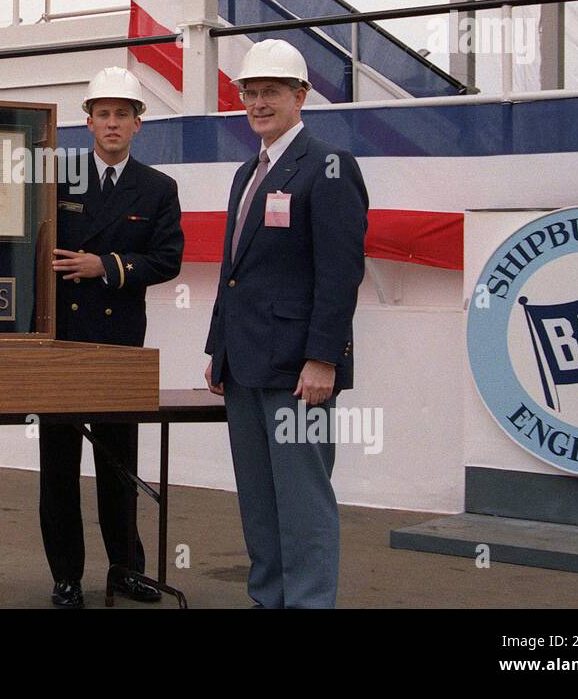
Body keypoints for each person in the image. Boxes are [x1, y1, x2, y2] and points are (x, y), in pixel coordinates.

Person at [203, 38, 368, 609]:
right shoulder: (248, 171)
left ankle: (308, 602)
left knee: (302, 500)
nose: (258, 103)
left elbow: (340, 273)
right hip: (245, 367)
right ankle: (268, 599)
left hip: (300, 371)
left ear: (301, 95)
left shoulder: (328, 166)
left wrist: (324, 358)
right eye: (250, 93)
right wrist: (217, 350)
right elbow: (234, 272)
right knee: (259, 499)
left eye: (271, 92)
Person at [42, 66, 184, 608]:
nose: (112, 123)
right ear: (89, 121)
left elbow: (167, 259)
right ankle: (67, 576)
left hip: (118, 344)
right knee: (58, 465)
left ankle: (127, 568)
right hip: (63, 341)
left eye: (123, 114)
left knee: (119, 463)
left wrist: (105, 265)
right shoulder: (60, 178)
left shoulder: (157, 188)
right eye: (103, 114)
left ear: (137, 123)